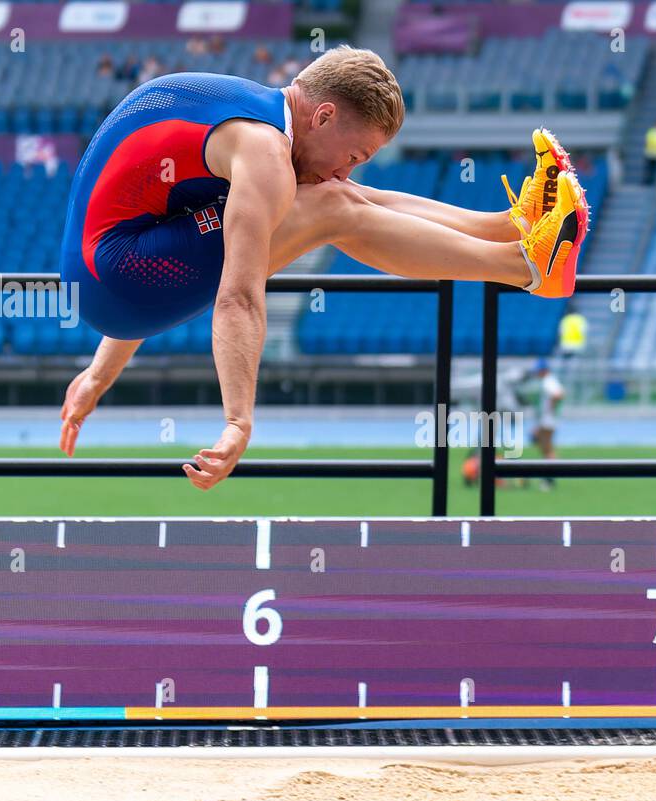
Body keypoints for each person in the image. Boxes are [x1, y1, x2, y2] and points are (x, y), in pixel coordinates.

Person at [58, 48, 590, 490]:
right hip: (117, 280)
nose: (348, 167)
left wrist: (99, 374)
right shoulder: (264, 154)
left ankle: (511, 226)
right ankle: (524, 267)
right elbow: (238, 296)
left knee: (339, 194)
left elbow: (134, 222)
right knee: (335, 205)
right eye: (355, 153)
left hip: (111, 276)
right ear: (325, 115)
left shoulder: (256, 113)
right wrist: (237, 421)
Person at [530, 360, 565, 491]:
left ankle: (549, 479)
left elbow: (559, 394)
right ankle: (548, 476)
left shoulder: (549, 381)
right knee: (543, 446)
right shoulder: (549, 381)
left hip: (548, 420)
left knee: (547, 448)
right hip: (547, 419)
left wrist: (550, 410)